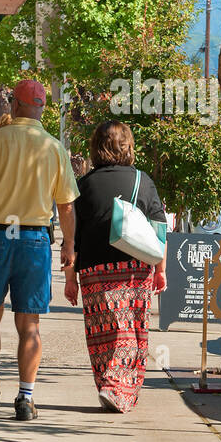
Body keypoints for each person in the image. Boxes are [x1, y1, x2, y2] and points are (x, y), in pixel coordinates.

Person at [0, 80, 78, 421]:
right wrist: (69, 246)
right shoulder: (54, 148)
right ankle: (25, 398)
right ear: (40, 107)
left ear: (16, 105)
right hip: (34, 241)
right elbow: (66, 207)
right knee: (30, 325)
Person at [65, 120, 167, 413]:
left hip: (94, 269)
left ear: (96, 148)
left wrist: (71, 278)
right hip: (135, 266)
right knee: (132, 329)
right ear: (128, 146)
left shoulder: (83, 185)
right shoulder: (142, 180)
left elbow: (73, 237)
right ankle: (119, 388)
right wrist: (161, 269)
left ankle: (111, 386)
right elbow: (159, 228)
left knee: (102, 332)